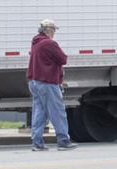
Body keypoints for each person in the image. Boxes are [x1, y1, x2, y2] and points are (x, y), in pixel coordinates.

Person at [27, 19, 76, 151]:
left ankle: (37, 142)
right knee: (57, 112)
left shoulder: (36, 42)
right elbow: (63, 59)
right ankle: (63, 141)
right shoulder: (49, 43)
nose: (54, 33)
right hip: (47, 82)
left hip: (34, 82)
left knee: (39, 112)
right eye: (53, 30)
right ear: (48, 30)